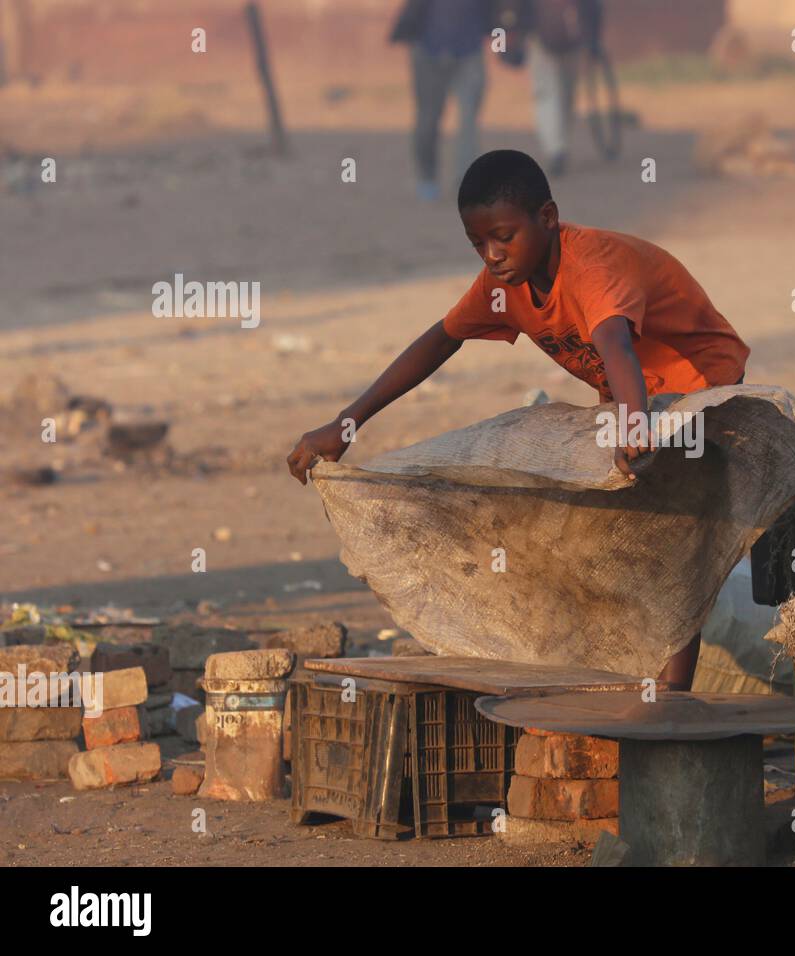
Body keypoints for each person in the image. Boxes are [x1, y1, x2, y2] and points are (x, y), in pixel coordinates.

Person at [286, 149, 750, 689]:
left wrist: (631, 426)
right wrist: (346, 424)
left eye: (503, 237)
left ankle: (669, 699)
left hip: (701, 383)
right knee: (603, 530)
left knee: (669, 534)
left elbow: (617, 347)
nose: (492, 255)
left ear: (547, 218)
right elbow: (441, 339)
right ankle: (619, 677)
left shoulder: (593, 268)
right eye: (478, 243)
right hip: (631, 399)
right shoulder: (504, 286)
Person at [389, 0, 491, 199]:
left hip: (469, 52)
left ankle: (466, 180)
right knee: (428, 119)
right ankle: (428, 178)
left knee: (469, 120)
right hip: (428, 52)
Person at [527, 0, 602, 175]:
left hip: (542, 35)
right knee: (565, 94)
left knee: (547, 94)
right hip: (571, 36)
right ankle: (558, 145)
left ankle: (555, 148)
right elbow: (594, 6)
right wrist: (593, 39)